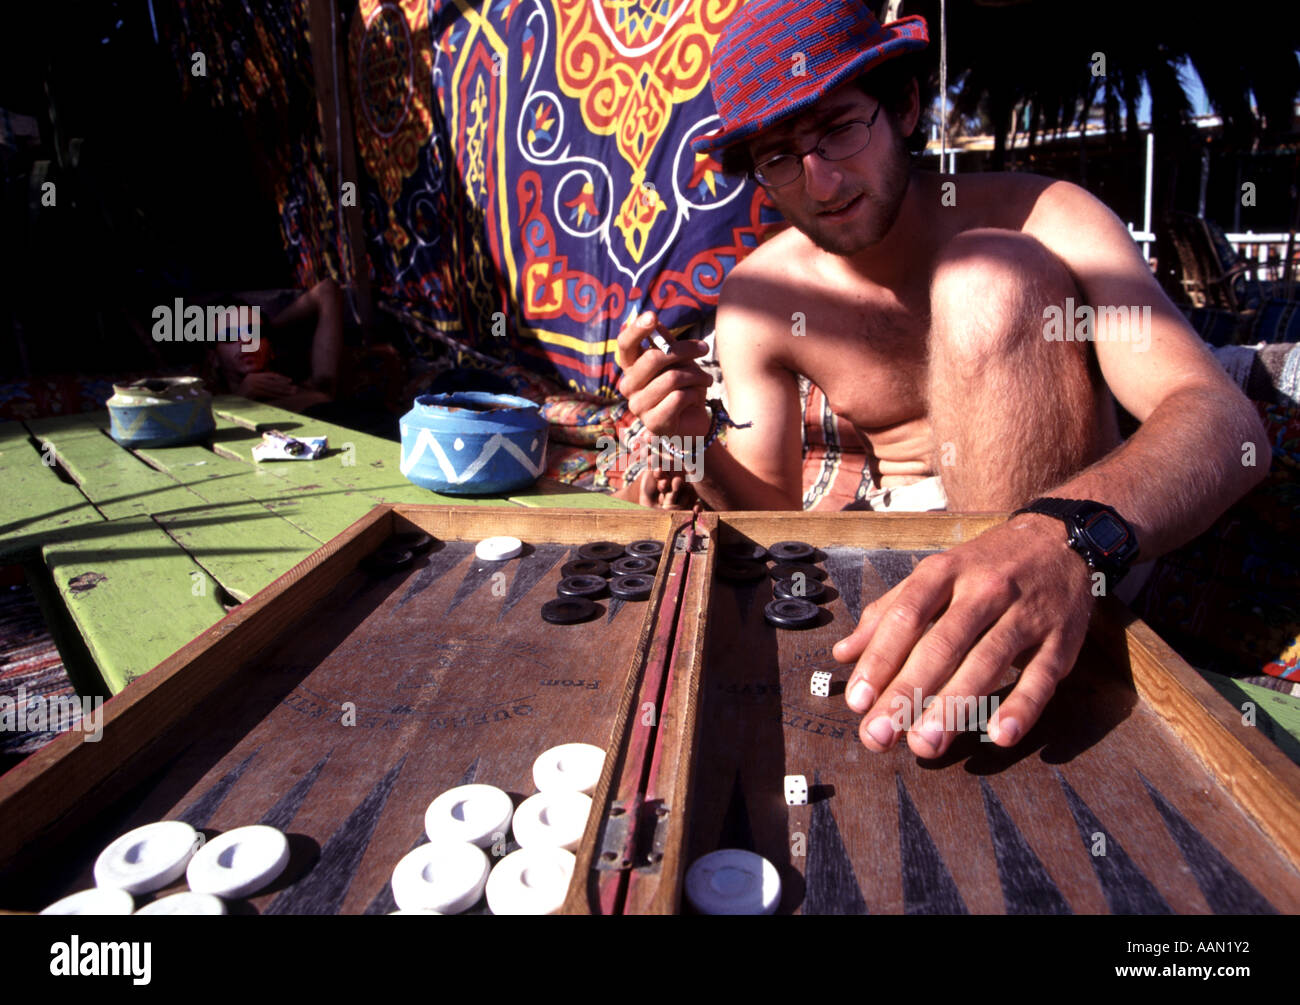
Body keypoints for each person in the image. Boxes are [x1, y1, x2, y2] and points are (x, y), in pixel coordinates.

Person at [614, 1, 1269, 759]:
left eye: (837, 128)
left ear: (904, 106)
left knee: (988, 275)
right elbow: (772, 510)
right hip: (899, 555)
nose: (820, 181)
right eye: (780, 156)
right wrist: (695, 444)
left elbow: (1221, 420)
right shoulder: (760, 300)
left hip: (1079, 542)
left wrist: (1062, 537)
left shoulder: (1048, 216)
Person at [210, 279, 344, 414]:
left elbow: (327, 291)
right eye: (229, 335)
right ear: (214, 357)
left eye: (255, 331)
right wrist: (241, 398)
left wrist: (270, 330)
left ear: (271, 349)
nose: (246, 340)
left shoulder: (309, 391)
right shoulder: (207, 406)